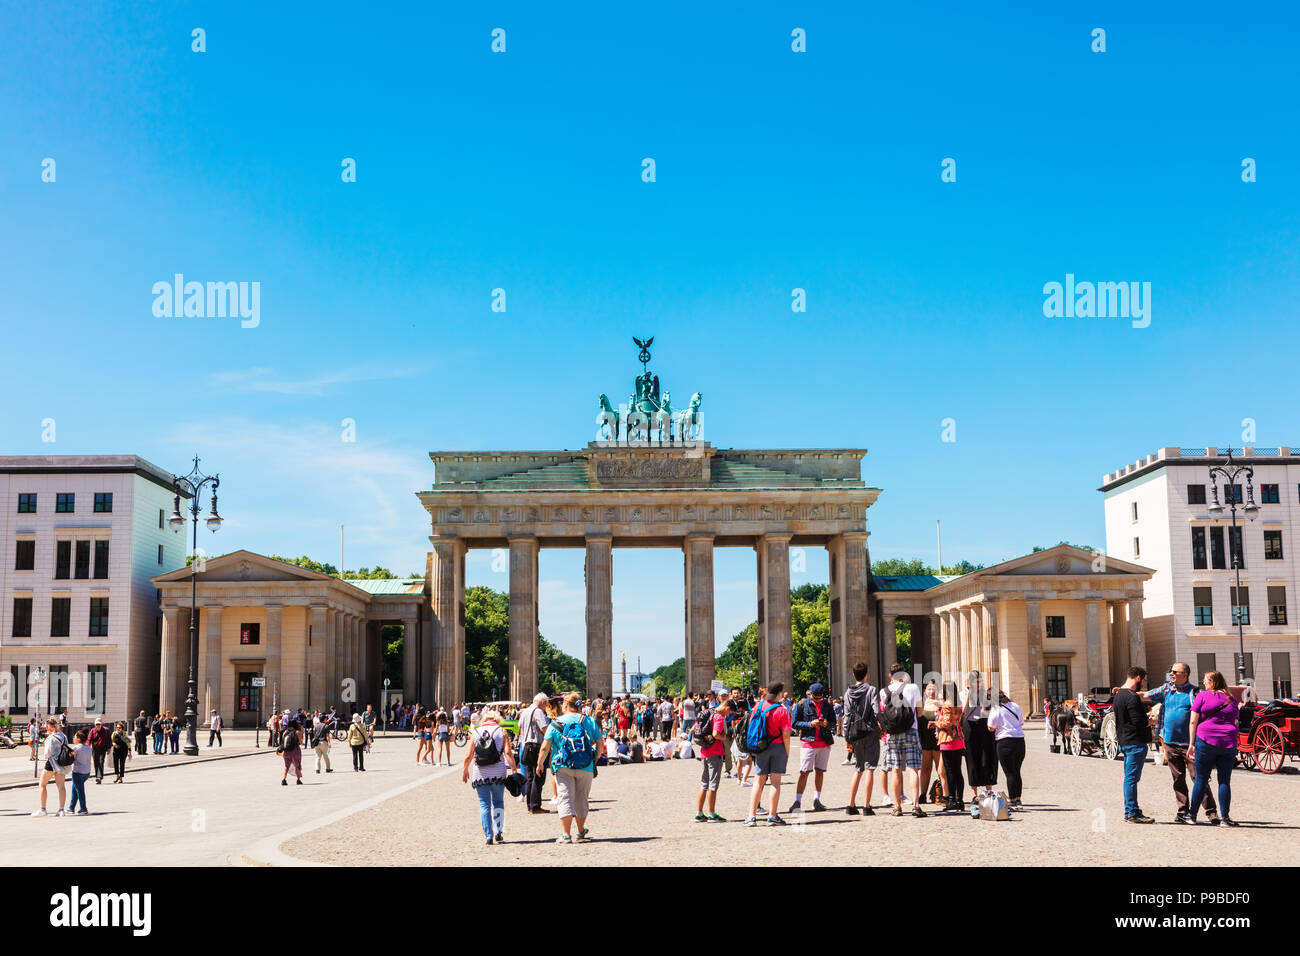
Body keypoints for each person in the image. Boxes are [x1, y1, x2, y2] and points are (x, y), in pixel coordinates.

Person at [1142, 662, 1217, 824]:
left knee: (1198, 778)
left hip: (1191, 744)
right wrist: (1125, 691)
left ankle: (1211, 811)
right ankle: (1183, 811)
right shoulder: (1166, 689)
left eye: (1175, 672)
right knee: (1178, 779)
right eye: (1171, 671)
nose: (1171, 674)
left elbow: (1205, 715)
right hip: (1170, 742)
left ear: (1185, 674)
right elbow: (1146, 695)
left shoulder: (1195, 693)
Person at [536, 691, 602, 844]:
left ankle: (566, 835)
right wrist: (596, 758)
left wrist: (540, 763)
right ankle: (580, 831)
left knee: (564, 798)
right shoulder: (589, 721)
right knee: (581, 798)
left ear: (565, 705)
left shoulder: (556, 722)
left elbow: (545, 747)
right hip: (585, 765)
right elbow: (600, 741)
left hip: (562, 765)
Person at [1187, 670, 1240, 827]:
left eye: (1205, 681)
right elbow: (1235, 720)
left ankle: (1192, 816)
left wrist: (1191, 744)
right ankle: (1225, 818)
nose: (1204, 683)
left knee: (1201, 779)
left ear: (1212, 683)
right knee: (1224, 781)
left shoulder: (1202, 696)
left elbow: (1193, 721)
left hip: (1205, 740)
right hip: (1228, 742)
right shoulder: (1231, 699)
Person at [463, 709, 517, 845]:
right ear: (497, 720)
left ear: (483, 720)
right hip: (498, 773)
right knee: (498, 803)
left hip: (480, 773)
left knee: (484, 805)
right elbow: (508, 753)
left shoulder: (475, 732)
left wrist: (465, 770)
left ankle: (488, 836)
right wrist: (514, 770)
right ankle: (498, 831)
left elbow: (469, 755)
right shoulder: (502, 731)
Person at [744, 682, 793, 827]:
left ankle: (751, 816)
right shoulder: (782, 710)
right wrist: (787, 751)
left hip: (760, 746)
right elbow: (786, 734)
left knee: (758, 782)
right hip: (777, 746)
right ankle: (772, 816)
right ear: (779, 694)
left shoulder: (757, 707)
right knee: (775, 782)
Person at [881, 663, 926, 818]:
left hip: (893, 734)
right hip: (910, 730)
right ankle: (915, 805)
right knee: (913, 768)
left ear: (890, 676)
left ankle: (897, 806)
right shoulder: (913, 688)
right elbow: (920, 712)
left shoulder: (884, 691)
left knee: (895, 769)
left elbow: (884, 712)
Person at [1114, 666, 1153, 824]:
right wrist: (1152, 720)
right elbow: (1139, 722)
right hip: (1135, 742)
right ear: (1138, 678)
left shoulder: (1119, 695)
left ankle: (1131, 810)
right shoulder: (1132, 696)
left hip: (1125, 740)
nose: (1143, 683)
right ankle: (1131, 812)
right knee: (1131, 779)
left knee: (1129, 778)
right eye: (1143, 680)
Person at [789, 682, 835, 813]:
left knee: (820, 772)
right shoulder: (802, 704)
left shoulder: (827, 704)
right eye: (816, 698)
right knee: (804, 773)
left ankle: (817, 800)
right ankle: (797, 801)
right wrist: (810, 723)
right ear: (810, 694)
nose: (819, 700)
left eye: (821, 698)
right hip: (808, 742)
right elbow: (794, 723)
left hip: (824, 742)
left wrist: (827, 723)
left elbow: (833, 721)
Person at [843, 662, 880, 816]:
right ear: (866, 675)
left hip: (855, 734)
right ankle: (867, 806)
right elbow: (876, 711)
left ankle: (851, 805)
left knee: (858, 769)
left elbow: (846, 718)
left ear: (854, 675)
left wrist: (847, 739)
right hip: (870, 732)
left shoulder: (847, 693)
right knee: (870, 769)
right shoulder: (871, 690)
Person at [961, 671, 998, 805]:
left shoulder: (986, 694)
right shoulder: (963, 693)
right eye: (975, 681)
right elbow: (963, 711)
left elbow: (991, 710)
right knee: (972, 760)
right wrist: (968, 695)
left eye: (979, 680)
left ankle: (988, 790)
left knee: (986, 758)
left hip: (984, 726)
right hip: (970, 727)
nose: (977, 683)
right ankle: (974, 794)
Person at [987, 691, 1026, 809]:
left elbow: (991, 727)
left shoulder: (996, 709)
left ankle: (1013, 800)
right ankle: (1018, 798)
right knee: (1017, 771)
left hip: (1005, 742)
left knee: (1009, 773)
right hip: (1019, 741)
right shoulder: (1015, 706)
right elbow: (1021, 722)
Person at [694, 698, 730, 822]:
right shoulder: (718, 717)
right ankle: (711, 814)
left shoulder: (708, 713)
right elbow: (715, 734)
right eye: (728, 713)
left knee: (704, 784)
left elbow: (694, 729)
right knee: (713, 785)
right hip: (715, 752)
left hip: (704, 752)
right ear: (727, 708)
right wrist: (724, 737)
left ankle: (699, 813)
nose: (727, 715)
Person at [933, 683, 966, 810]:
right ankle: (960, 800)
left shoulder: (947, 704)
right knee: (958, 771)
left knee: (949, 770)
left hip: (948, 739)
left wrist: (935, 723)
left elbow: (946, 723)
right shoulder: (958, 703)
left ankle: (952, 799)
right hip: (958, 738)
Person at [518, 693, 550, 813]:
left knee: (530, 777)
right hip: (536, 747)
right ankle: (535, 806)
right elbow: (543, 728)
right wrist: (551, 737)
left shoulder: (525, 711)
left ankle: (530, 806)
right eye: (546, 703)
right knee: (538, 776)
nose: (546, 706)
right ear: (542, 702)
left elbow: (519, 726)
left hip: (526, 746)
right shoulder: (538, 712)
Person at [33, 717, 72, 816]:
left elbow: (47, 753)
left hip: (51, 764)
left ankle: (43, 809)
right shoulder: (63, 736)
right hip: (62, 764)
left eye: (47, 728)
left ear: (50, 728)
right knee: (61, 787)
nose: (46, 729)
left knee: (42, 784)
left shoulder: (51, 738)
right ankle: (61, 809)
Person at [917, 680, 944, 804]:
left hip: (938, 740)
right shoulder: (921, 706)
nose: (931, 691)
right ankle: (922, 794)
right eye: (929, 689)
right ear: (925, 691)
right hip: (924, 741)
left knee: (940, 770)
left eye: (934, 689)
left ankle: (944, 793)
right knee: (925, 768)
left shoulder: (941, 705)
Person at [67, 730, 92, 815]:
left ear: (78, 739)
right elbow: (89, 760)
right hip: (86, 771)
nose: (73, 738)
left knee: (80, 791)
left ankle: (83, 808)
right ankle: (71, 807)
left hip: (78, 772)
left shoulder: (75, 748)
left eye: (74, 737)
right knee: (75, 789)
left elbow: (70, 758)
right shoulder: (88, 747)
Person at [279, 718, 304, 785]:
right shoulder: (297, 732)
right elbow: (301, 742)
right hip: (295, 751)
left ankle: (284, 780)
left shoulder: (285, 732)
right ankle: (298, 780)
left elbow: (282, 741)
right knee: (297, 765)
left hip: (286, 751)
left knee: (286, 766)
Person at [87, 717, 111, 784]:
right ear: (95, 725)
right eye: (96, 724)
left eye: (99, 724)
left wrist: (109, 748)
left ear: (101, 724)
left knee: (101, 762)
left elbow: (109, 739)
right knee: (96, 763)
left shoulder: (106, 730)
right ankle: (97, 776)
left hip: (103, 749)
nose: (98, 726)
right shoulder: (92, 731)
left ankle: (99, 777)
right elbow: (89, 739)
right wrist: (87, 747)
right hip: (95, 749)